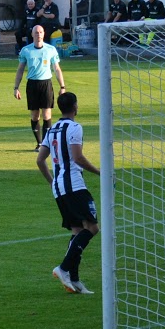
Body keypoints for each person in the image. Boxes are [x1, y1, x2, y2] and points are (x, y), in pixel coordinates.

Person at [37, 91, 100, 294]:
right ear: (75, 107)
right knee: (92, 227)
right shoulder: (75, 128)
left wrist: (51, 182)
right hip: (74, 185)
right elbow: (78, 157)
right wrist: (101, 172)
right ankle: (63, 268)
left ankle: (74, 280)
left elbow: (40, 160)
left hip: (60, 187)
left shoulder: (52, 128)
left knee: (77, 231)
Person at [13, 24, 67, 150]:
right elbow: (20, 70)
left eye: (40, 32)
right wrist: (16, 88)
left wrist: (62, 86)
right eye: (36, 32)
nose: (38, 35)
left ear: (44, 34)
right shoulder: (26, 50)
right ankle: (39, 143)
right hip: (32, 84)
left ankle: (45, 143)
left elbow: (57, 69)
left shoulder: (51, 49)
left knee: (47, 114)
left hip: (46, 84)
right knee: (35, 115)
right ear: (32, 35)